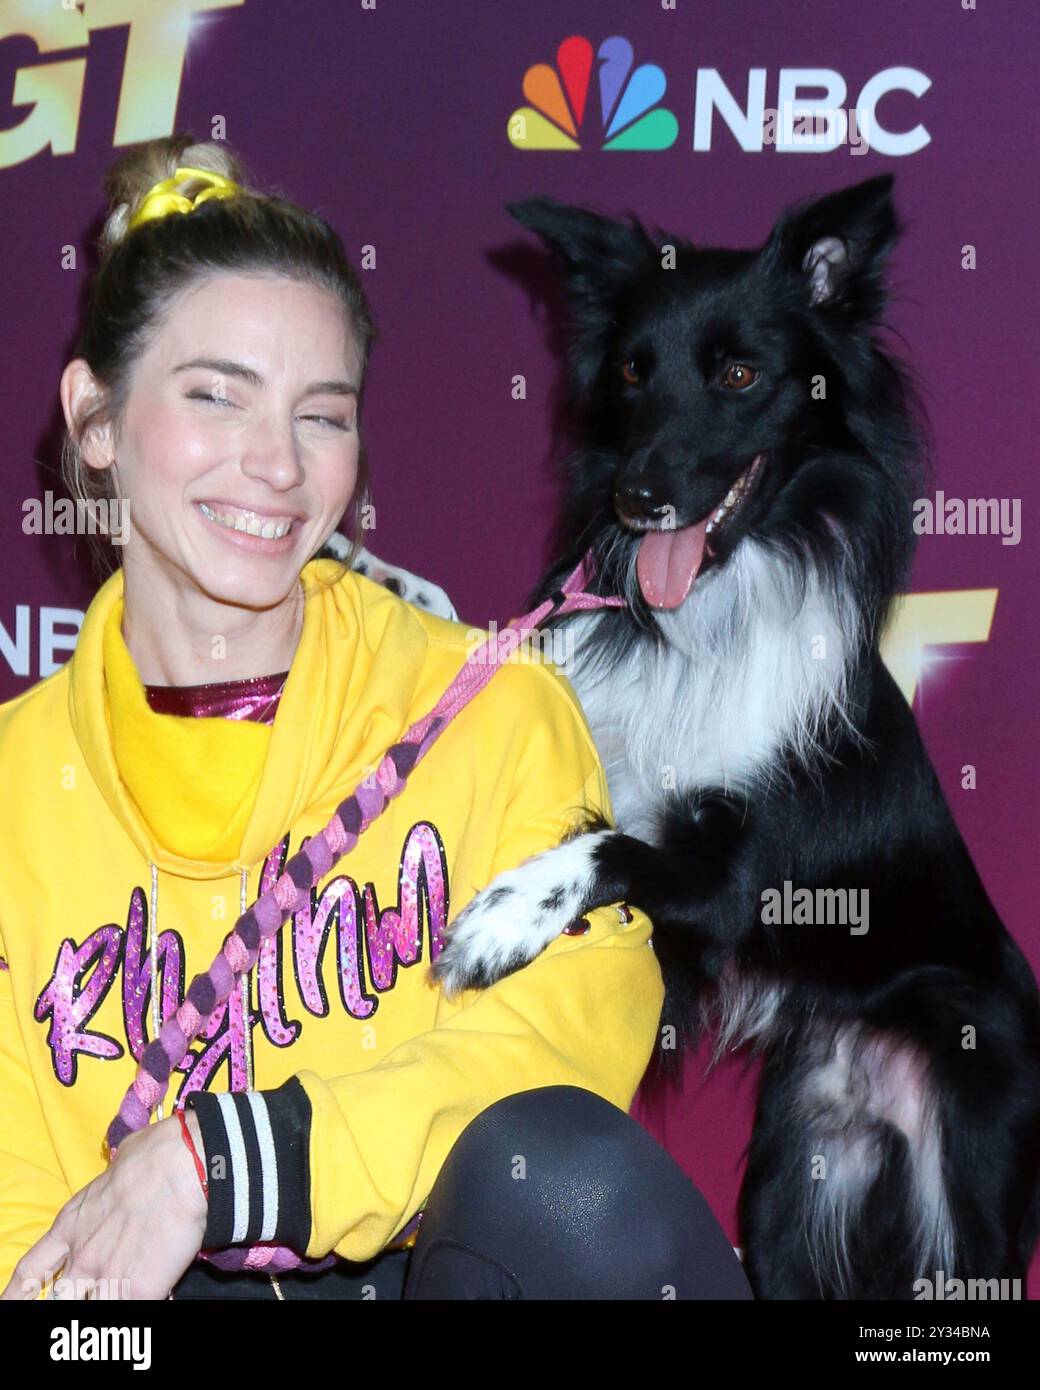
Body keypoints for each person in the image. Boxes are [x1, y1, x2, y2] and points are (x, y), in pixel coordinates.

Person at [0, 135, 753, 1301]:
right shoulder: (14, 786)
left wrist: (239, 1162)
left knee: (568, 1182)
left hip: (406, 1279)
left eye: (322, 414)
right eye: (215, 396)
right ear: (95, 419)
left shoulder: (489, 711)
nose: (275, 467)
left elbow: (574, 1030)